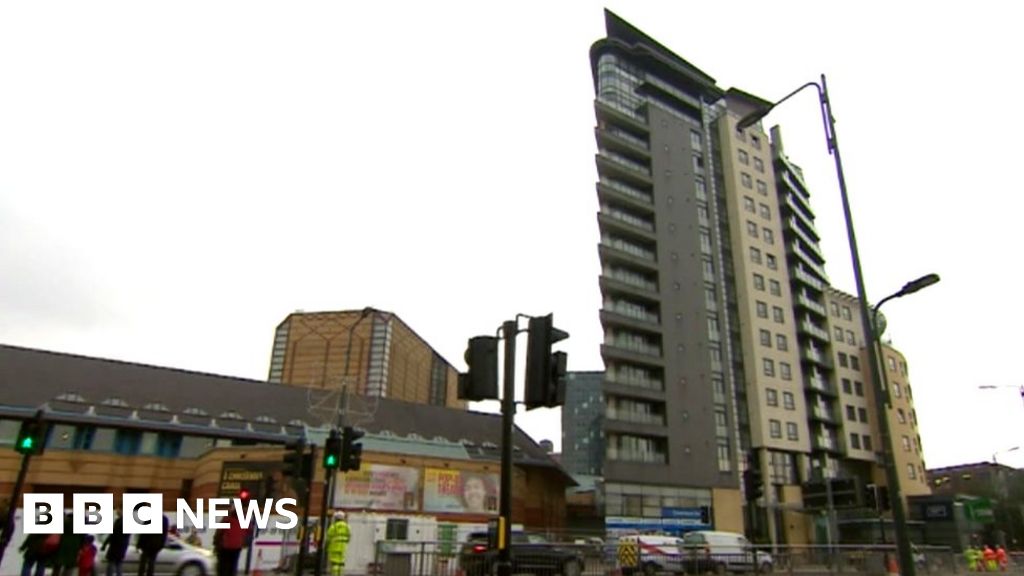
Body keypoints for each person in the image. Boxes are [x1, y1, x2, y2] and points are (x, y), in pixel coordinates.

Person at [213, 510, 246, 576]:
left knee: (223, 567)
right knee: (233, 567)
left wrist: (215, 542)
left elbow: (219, 532)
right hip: (237, 547)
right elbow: (247, 532)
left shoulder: (227, 519)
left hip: (225, 547)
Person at [102, 509, 130, 576]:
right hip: (122, 546)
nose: (117, 511)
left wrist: (105, 544)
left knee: (111, 564)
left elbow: (113, 534)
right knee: (118, 564)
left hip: (116, 546)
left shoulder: (120, 521)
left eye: (118, 510)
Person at [325, 511, 350, 576]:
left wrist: (326, 545)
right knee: (341, 563)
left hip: (334, 547)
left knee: (334, 563)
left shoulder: (334, 526)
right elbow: (348, 537)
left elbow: (329, 537)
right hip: (343, 547)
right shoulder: (347, 526)